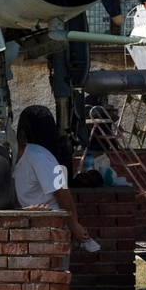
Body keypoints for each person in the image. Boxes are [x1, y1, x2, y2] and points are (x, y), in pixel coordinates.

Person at [13, 105, 98, 253]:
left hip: (52, 225)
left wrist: (74, 226)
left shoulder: (40, 157)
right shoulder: (12, 159)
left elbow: (62, 191)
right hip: (30, 225)